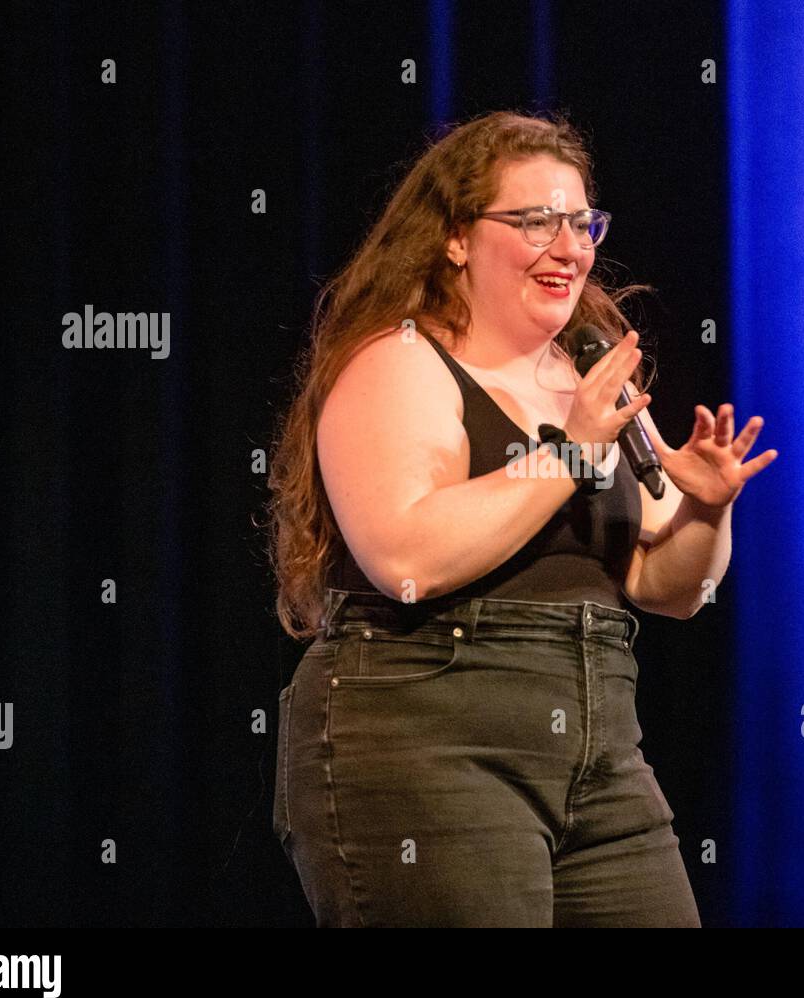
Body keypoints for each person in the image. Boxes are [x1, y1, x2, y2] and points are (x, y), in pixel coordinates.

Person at [265, 111, 776, 927]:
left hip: (600, 745)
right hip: (428, 734)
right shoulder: (400, 362)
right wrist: (570, 452)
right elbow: (406, 555)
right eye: (535, 221)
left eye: (581, 222)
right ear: (456, 238)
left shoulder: (588, 374)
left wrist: (707, 513)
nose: (569, 247)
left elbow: (668, 589)